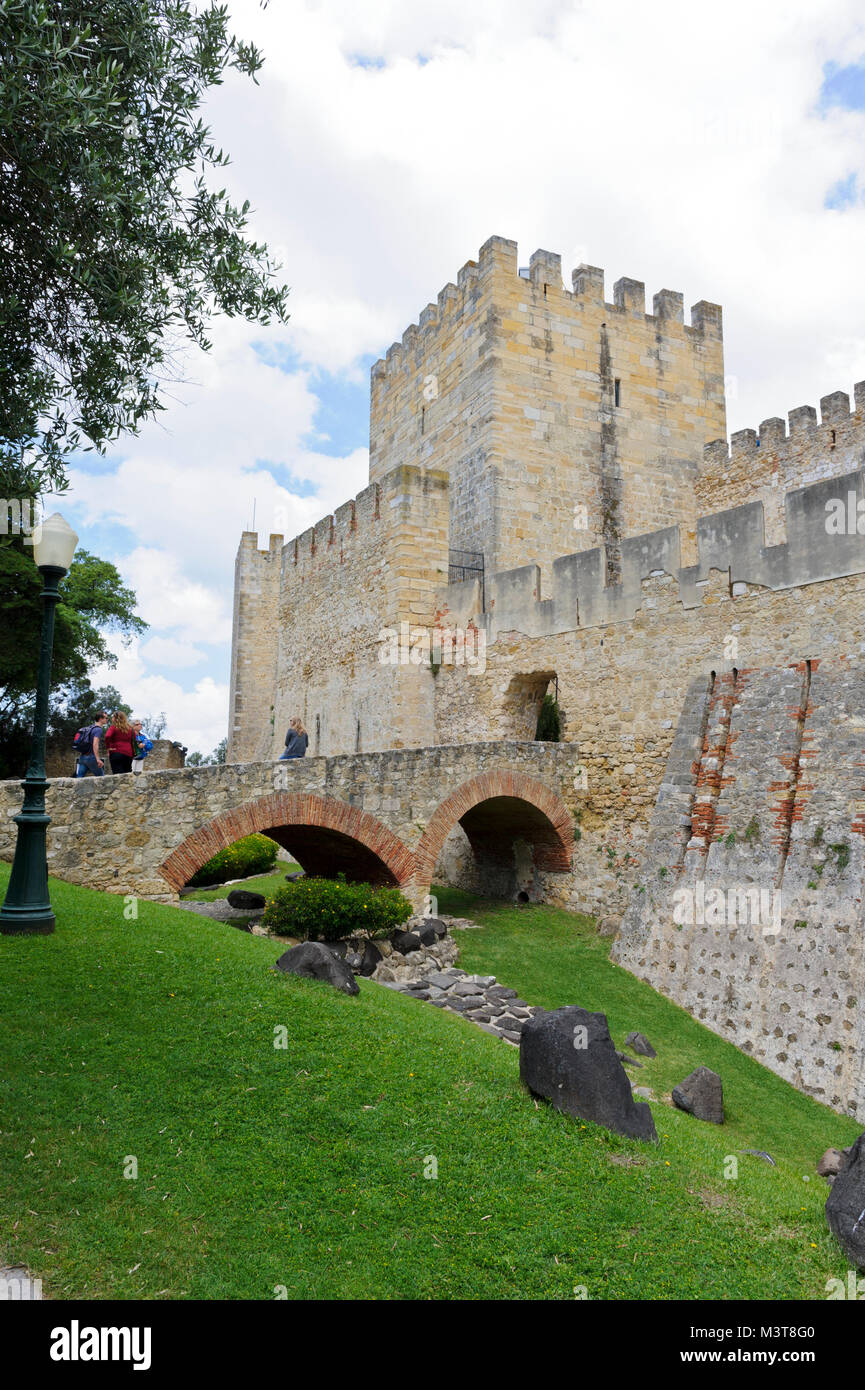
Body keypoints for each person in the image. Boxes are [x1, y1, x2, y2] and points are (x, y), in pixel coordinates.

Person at [74, 711, 108, 777]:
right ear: (100, 719)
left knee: (79, 778)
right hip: (91, 757)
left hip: (83, 757)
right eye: (106, 718)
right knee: (101, 777)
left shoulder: (90, 728)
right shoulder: (98, 729)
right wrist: (98, 759)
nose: (107, 720)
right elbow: (95, 744)